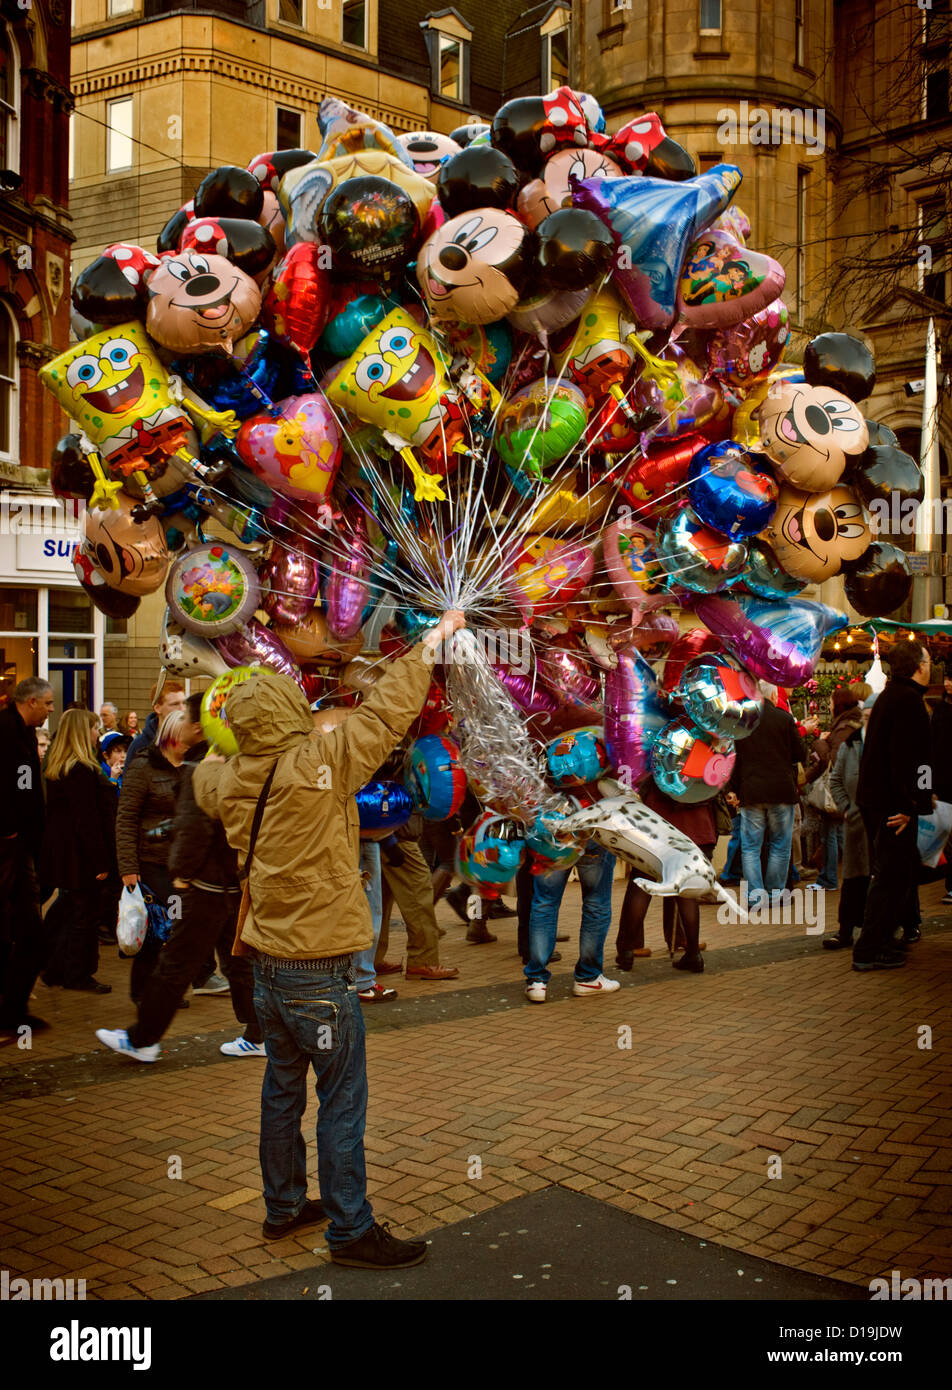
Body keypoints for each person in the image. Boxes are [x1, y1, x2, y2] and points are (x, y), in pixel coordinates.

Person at [190, 610, 466, 1268]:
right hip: (319, 971)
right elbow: (385, 713)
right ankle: (351, 1229)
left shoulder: (228, 779)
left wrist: (208, 730)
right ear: (289, 709)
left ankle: (284, 1204)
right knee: (341, 1097)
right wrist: (431, 643)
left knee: (282, 1088)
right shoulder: (325, 760)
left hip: (265, 969)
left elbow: (205, 768)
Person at [95, 745, 264, 1062]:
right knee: (237, 961)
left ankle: (143, 1039)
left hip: (208, 886)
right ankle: (259, 1034)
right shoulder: (244, 762)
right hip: (230, 882)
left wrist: (182, 873)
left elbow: (197, 824)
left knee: (177, 963)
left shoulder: (206, 765)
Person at [853, 641, 933, 971]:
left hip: (880, 800)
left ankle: (882, 940)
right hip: (893, 805)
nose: (931, 665)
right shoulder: (908, 700)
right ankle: (870, 948)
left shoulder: (891, 696)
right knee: (890, 876)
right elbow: (913, 760)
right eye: (928, 660)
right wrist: (914, 804)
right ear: (918, 666)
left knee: (894, 873)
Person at [115, 708, 200, 1004]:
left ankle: (164, 988)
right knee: (157, 928)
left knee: (176, 928)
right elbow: (126, 818)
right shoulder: (143, 767)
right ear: (173, 738)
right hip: (150, 862)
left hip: (182, 864)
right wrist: (127, 867)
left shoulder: (191, 766)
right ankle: (144, 991)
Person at [40, 710, 117, 994]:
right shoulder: (82, 770)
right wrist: (101, 861)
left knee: (70, 911)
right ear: (83, 733)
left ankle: (56, 968)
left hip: (64, 853)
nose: (97, 734)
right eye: (94, 729)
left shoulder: (58, 769)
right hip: (81, 856)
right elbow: (88, 820)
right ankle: (77, 973)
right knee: (84, 916)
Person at [0, 677, 55, 1033]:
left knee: (28, 933)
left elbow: (23, 784)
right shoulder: (7, 733)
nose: (51, 710)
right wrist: (9, 830)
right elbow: (13, 785)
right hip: (10, 848)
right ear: (31, 702)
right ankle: (11, 1012)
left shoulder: (19, 733)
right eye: (48, 704)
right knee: (22, 930)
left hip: (21, 847)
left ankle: (13, 1009)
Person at [616, 783, 714, 974]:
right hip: (694, 819)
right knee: (686, 886)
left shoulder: (660, 752)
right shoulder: (707, 751)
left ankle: (627, 950)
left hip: (660, 819)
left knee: (641, 881)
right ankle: (693, 953)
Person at [730, 681, 805, 909]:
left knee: (751, 846)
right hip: (781, 789)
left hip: (751, 790)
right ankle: (774, 894)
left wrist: (733, 789)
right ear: (774, 695)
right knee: (780, 844)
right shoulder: (784, 719)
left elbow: (735, 759)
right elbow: (799, 753)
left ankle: (755, 896)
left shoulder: (743, 721)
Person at [524, 841, 619, 1003]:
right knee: (595, 904)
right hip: (592, 830)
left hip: (553, 830)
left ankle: (537, 980)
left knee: (545, 903)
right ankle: (588, 977)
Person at [824, 702, 872, 951]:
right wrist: (847, 808)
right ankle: (846, 930)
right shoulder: (850, 745)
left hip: (882, 824)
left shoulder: (888, 743)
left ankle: (884, 930)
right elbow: (836, 780)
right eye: (866, 717)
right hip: (855, 823)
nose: (869, 721)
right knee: (853, 878)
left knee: (881, 879)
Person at [126, 681, 186, 765]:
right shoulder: (140, 745)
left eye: (184, 703)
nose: (182, 709)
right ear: (157, 708)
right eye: (175, 704)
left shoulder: (192, 742)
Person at [931, 672, 952, 905]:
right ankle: (950, 885)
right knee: (946, 834)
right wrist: (929, 786)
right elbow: (931, 748)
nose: (947, 683)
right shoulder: (939, 710)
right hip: (943, 782)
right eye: (946, 679)